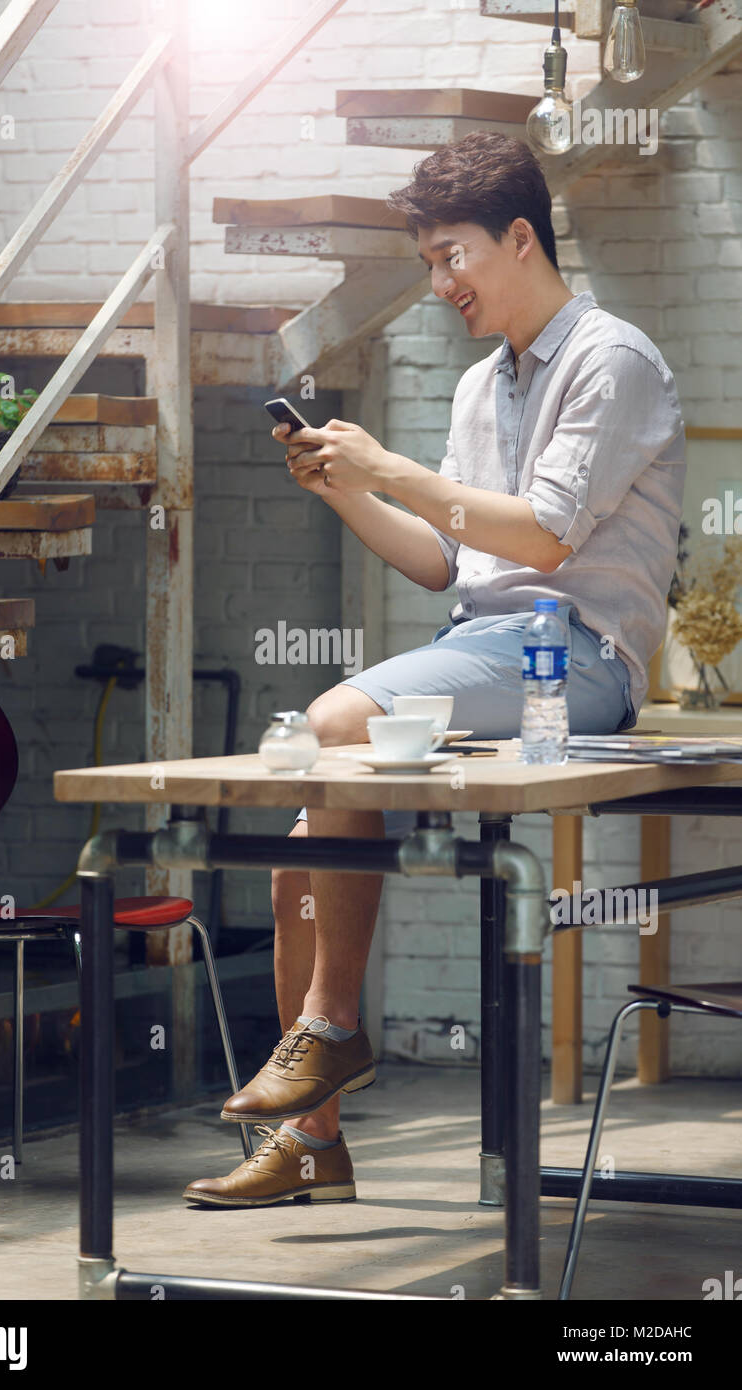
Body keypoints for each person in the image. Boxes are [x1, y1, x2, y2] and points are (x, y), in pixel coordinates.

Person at [183, 131, 685, 1208]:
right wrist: (346, 488)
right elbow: (444, 561)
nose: (439, 283)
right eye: (425, 264)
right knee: (300, 849)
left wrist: (391, 466)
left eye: (451, 255)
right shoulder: (474, 389)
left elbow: (545, 539)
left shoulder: (613, 359)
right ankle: (312, 1139)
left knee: (330, 718)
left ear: (517, 238)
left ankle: (329, 1031)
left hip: (575, 655)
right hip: (483, 643)